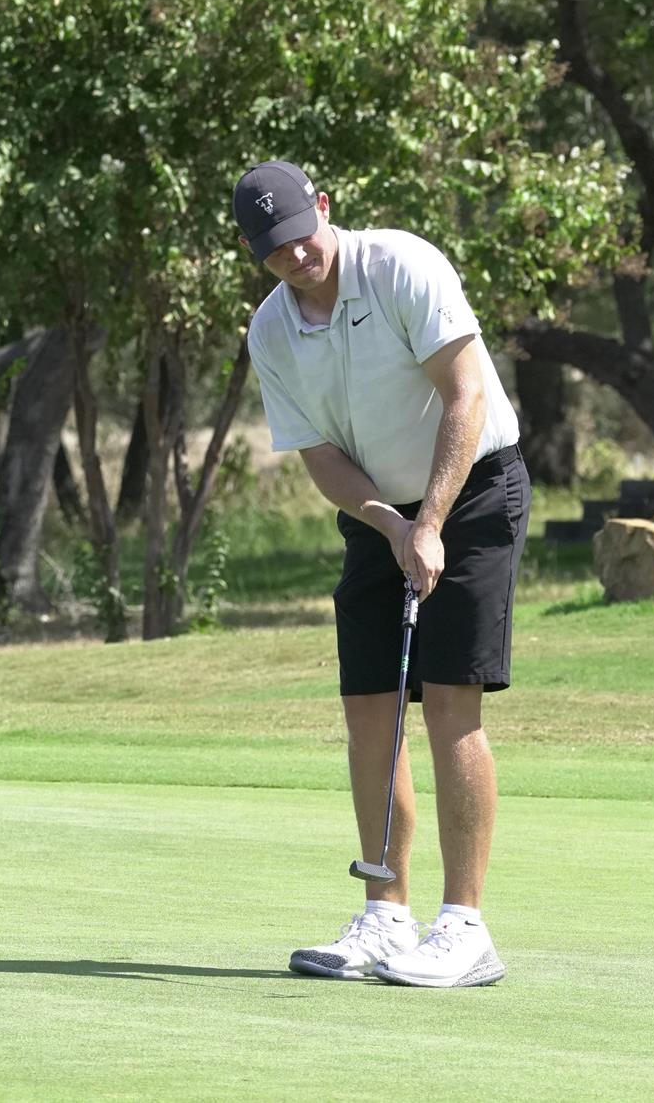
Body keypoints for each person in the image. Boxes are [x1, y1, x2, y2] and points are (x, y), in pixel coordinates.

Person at [232, 160, 530, 988]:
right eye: (274, 250)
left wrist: (431, 522)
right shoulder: (271, 332)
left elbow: (465, 394)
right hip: (378, 515)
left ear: (323, 209)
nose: (295, 257)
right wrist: (393, 525)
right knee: (369, 706)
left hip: (471, 492)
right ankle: (386, 915)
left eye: (301, 235)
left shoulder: (401, 264)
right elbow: (322, 457)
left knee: (448, 700)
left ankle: (466, 927)